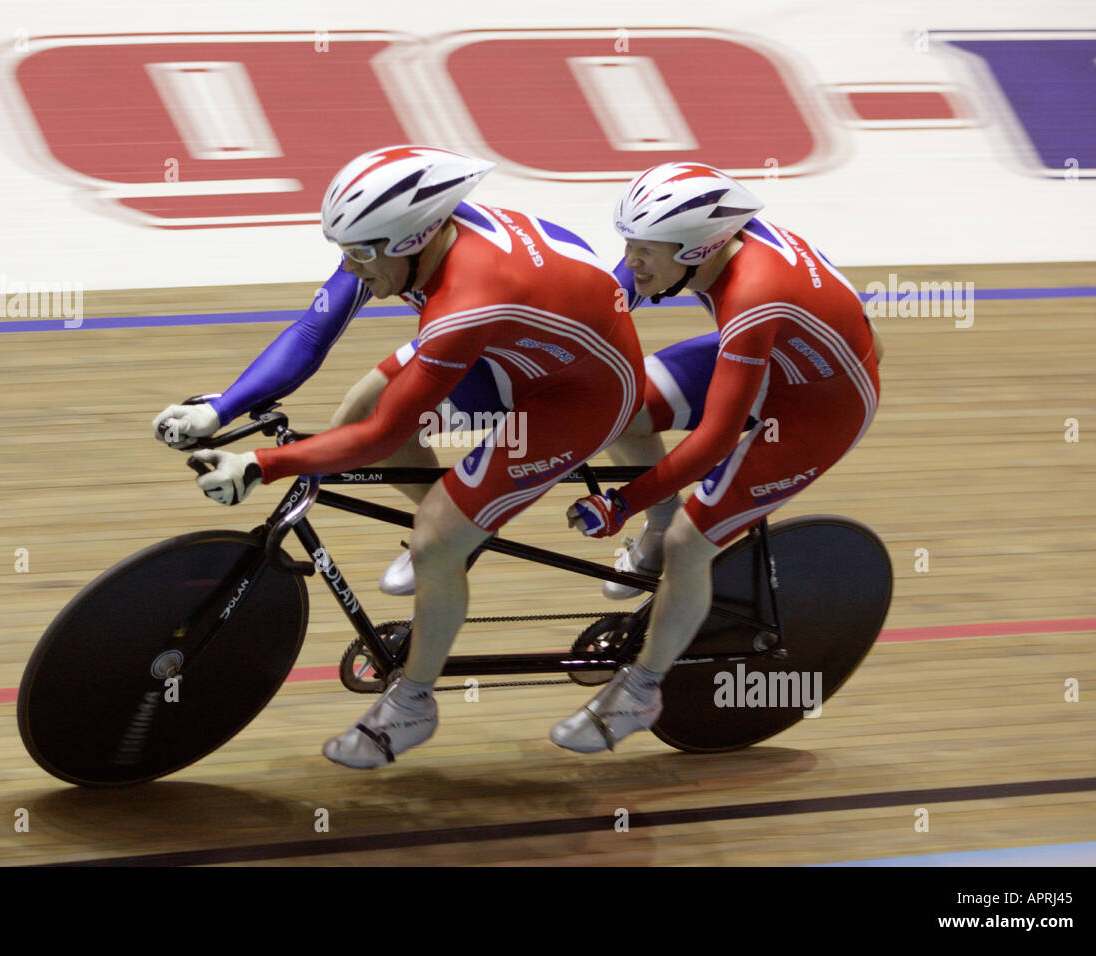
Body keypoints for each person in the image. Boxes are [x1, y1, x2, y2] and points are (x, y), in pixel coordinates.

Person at [159, 144, 645, 769]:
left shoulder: (467, 296)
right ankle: (465, 534)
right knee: (355, 417)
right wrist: (221, 408)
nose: (349, 268)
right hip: (513, 347)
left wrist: (260, 464)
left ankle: (414, 702)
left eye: (359, 255)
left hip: (575, 394)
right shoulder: (400, 244)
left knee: (434, 537)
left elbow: (386, 437)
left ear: (414, 238)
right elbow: (313, 332)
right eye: (343, 250)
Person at [553, 161, 884, 753]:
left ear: (697, 248)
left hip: (816, 412)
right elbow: (609, 301)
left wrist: (622, 502)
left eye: (645, 250)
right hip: (767, 359)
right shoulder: (715, 251)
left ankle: (642, 690)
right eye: (628, 243)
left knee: (692, 543)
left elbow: (714, 441)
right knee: (617, 403)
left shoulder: (754, 293)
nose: (632, 261)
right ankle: (655, 538)